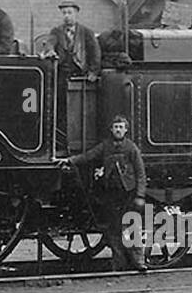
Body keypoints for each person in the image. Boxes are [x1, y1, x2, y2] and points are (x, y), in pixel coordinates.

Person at [63, 115, 147, 272]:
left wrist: (140, 195)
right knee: (114, 229)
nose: (118, 130)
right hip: (112, 194)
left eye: (121, 127)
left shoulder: (131, 148)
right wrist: (70, 160)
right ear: (111, 129)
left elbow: (140, 173)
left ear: (126, 130)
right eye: (116, 127)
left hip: (128, 193)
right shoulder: (105, 146)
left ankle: (138, 261)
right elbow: (88, 156)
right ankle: (119, 263)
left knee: (132, 226)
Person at [40, 0, 102, 149]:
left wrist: (93, 72)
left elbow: (95, 53)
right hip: (62, 77)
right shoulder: (56, 31)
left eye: (70, 12)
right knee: (61, 109)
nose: (67, 16)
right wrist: (50, 51)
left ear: (76, 13)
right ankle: (62, 143)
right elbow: (50, 43)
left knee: (80, 111)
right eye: (64, 13)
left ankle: (79, 143)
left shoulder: (86, 32)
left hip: (81, 77)